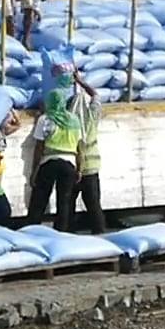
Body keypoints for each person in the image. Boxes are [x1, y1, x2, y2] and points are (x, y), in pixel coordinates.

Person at [25, 60, 83, 230]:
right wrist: (79, 168)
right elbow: (79, 148)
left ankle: (32, 229)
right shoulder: (74, 120)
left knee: (39, 199)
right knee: (64, 202)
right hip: (69, 164)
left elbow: (39, 147)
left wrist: (34, 170)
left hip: (50, 162)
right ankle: (61, 233)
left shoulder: (45, 119)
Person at [65, 85, 106, 234]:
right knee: (93, 204)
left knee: (69, 204)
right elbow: (95, 94)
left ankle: (69, 233)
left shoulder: (70, 123)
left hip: (75, 167)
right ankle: (100, 233)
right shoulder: (93, 116)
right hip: (92, 166)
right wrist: (81, 82)